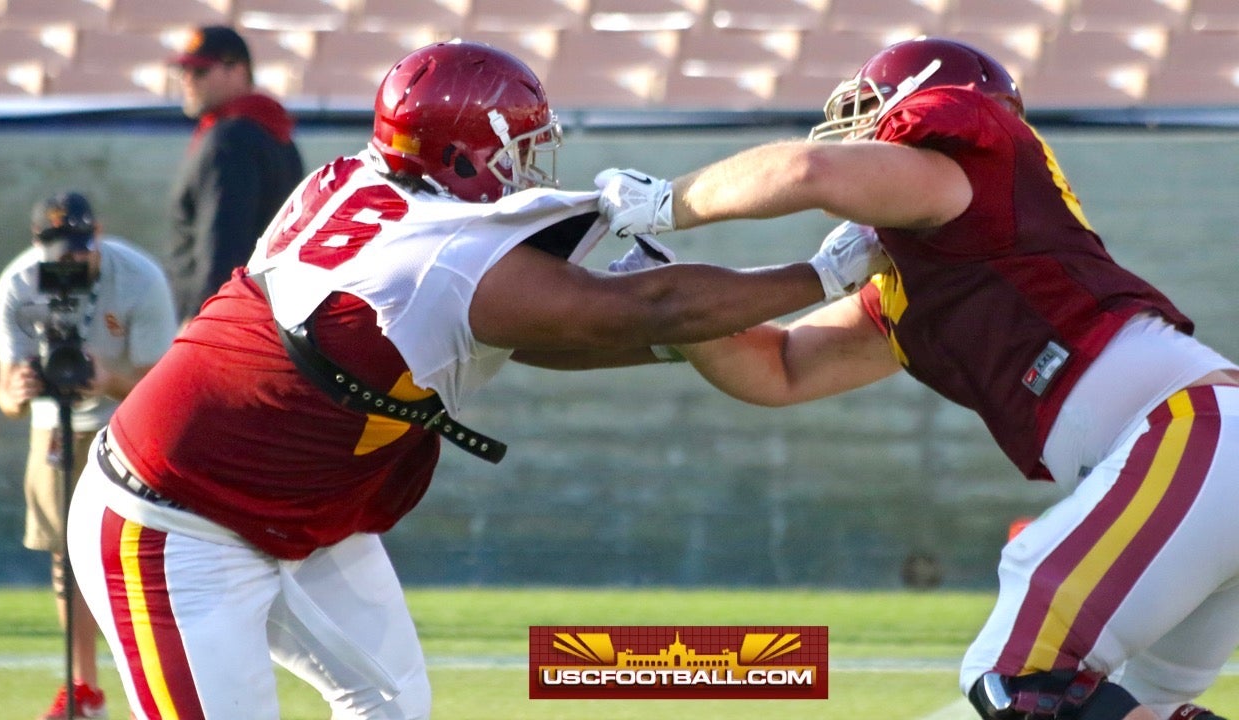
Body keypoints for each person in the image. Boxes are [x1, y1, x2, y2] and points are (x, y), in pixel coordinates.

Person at [64, 40, 858, 720]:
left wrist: (666, 337)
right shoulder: (435, 260)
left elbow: (519, 334)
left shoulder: (358, 181)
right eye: (517, 147)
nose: (527, 166)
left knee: (394, 702)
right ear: (457, 156)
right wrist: (824, 274)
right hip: (171, 521)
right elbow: (647, 303)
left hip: (298, 508)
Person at [594, 36, 1239, 720]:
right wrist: (679, 306)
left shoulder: (971, 152)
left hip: (1191, 437)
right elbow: (780, 368)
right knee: (1114, 703)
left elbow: (811, 167)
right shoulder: (930, 279)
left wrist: (668, 200)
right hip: (1197, 460)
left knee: (1016, 679)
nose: (856, 138)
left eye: (868, 117)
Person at [0, 191, 178, 719]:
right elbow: (6, 390)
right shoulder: (18, 284)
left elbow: (163, 385)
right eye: (60, 251)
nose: (73, 260)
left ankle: (159, 679)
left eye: (81, 246)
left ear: (98, 235)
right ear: (38, 246)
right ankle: (84, 689)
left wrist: (107, 378)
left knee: (139, 553)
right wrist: (17, 393)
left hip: (129, 421)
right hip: (55, 427)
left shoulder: (138, 278)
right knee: (65, 557)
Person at [166, 24, 304, 323]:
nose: (188, 81)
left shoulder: (229, 139)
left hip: (226, 318)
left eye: (200, 72)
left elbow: (220, 241)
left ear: (238, 70)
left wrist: (200, 321)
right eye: (185, 72)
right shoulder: (277, 133)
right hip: (270, 315)